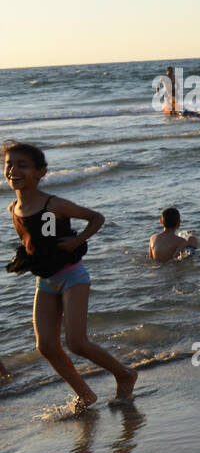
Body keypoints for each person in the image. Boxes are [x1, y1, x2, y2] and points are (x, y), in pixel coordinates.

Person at [4, 140, 138, 408]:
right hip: (45, 282)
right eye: (9, 165)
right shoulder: (13, 209)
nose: (13, 171)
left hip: (73, 277)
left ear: (41, 172)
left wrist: (76, 242)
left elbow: (96, 218)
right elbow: (37, 238)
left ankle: (125, 375)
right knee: (47, 347)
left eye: (22, 165)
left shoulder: (54, 205)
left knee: (76, 343)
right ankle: (85, 394)